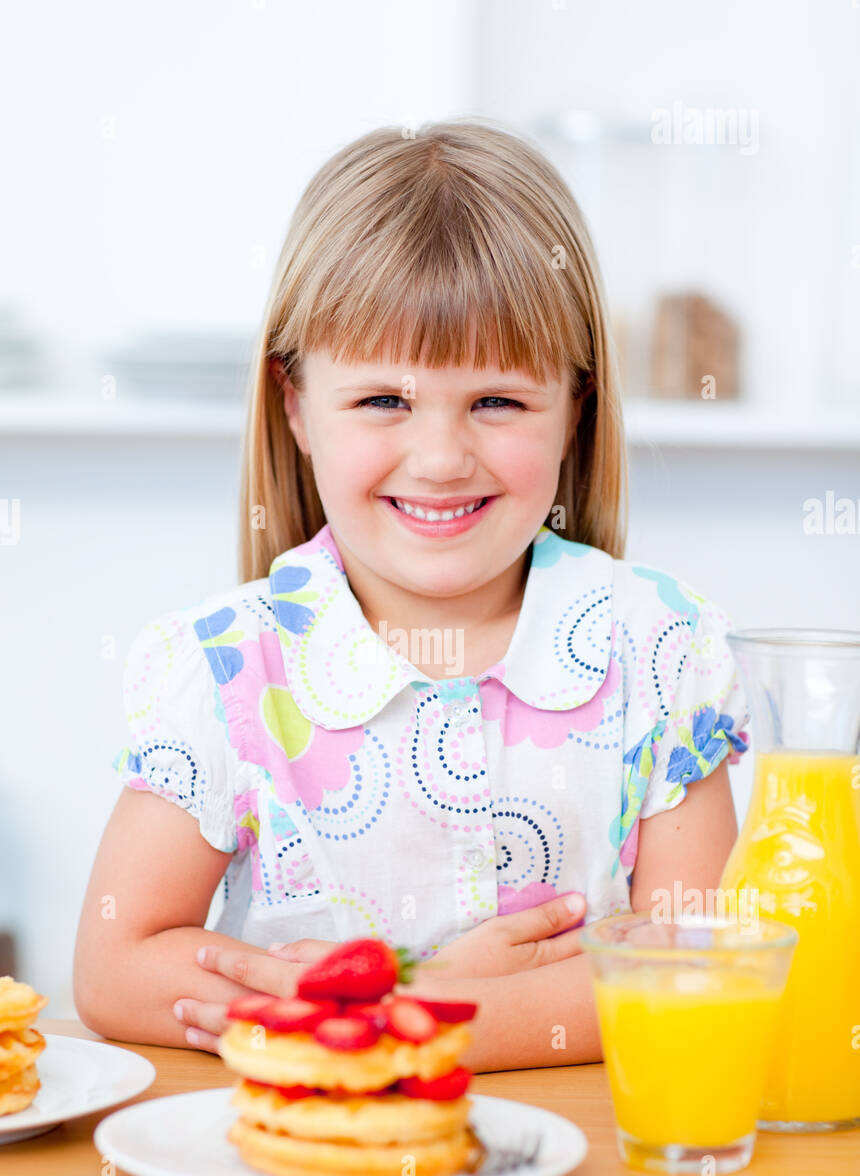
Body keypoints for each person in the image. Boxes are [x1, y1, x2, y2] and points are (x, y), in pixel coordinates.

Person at [74, 120, 749, 1071]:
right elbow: (115, 967)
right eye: (384, 401)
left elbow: (696, 968)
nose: (440, 459)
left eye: (499, 402)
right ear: (296, 405)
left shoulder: (658, 648)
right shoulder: (230, 668)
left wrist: (410, 1013)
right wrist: (402, 1002)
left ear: (577, 408)